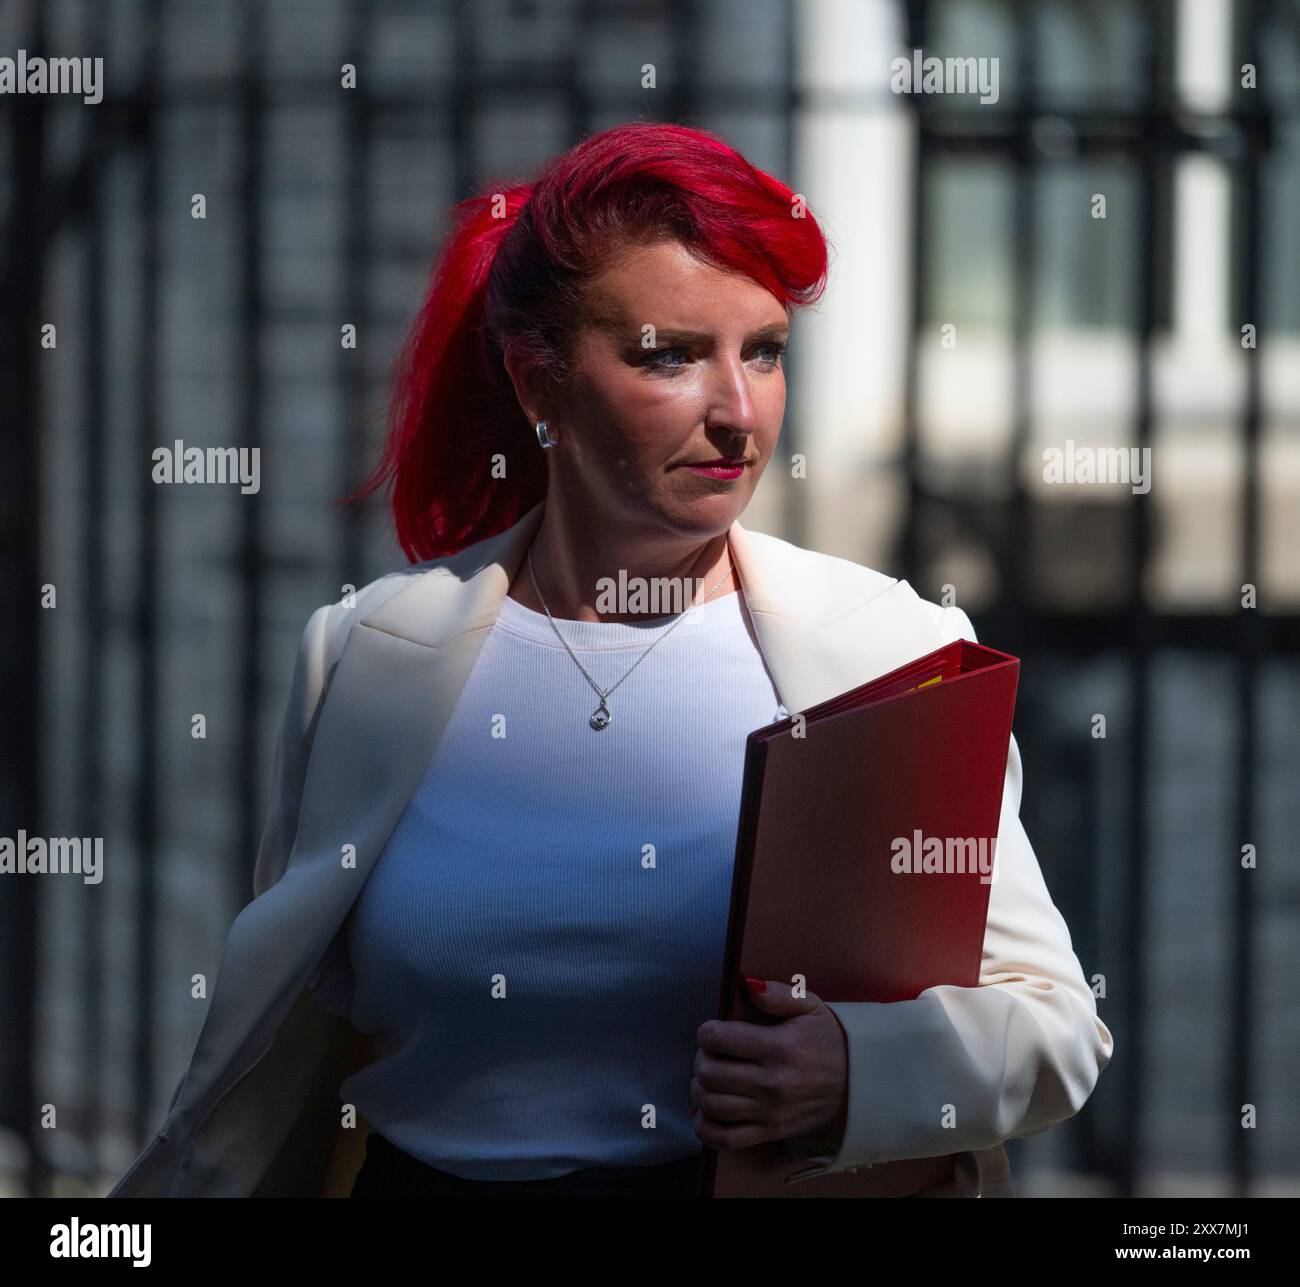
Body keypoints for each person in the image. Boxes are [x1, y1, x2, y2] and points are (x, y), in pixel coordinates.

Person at [108, 121, 1112, 1200]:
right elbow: (290, 1042)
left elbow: (1054, 1024)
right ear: (539, 385)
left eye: (764, 351)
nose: (737, 412)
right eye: (669, 355)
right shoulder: (366, 655)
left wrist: (857, 1070)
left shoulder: (889, 651)